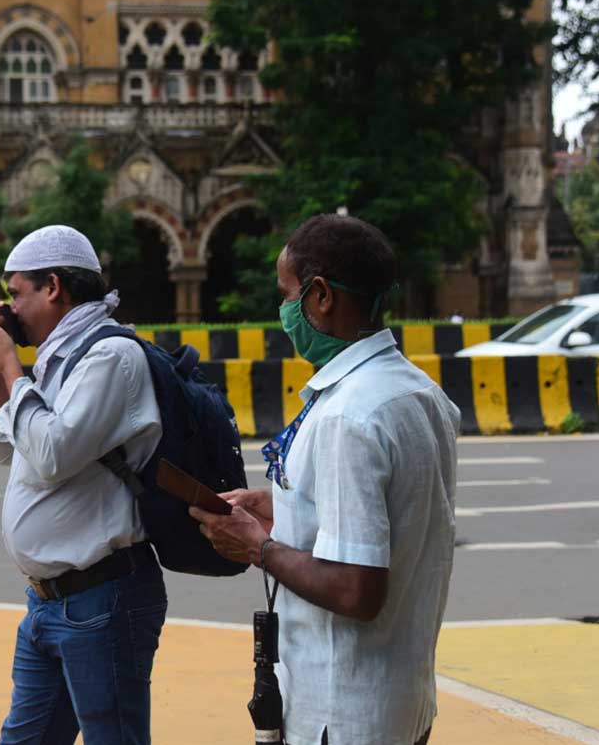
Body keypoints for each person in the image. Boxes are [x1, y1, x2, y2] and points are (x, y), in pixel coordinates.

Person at [191, 214, 459, 745]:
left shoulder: (348, 415)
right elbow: (395, 512)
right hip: (402, 703)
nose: (284, 311)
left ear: (320, 296)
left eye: (286, 294)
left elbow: (357, 589)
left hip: (342, 711)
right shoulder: (420, 393)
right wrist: (286, 507)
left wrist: (258, 547)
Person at [0, 224, 166, 745]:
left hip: (102, 599)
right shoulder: (58, 356)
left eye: (17, 294)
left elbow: (54, 452)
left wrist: (9, 362)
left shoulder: (109, 356)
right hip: (49, 602)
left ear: (53, 287)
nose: (11, 307)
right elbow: (2, 441)